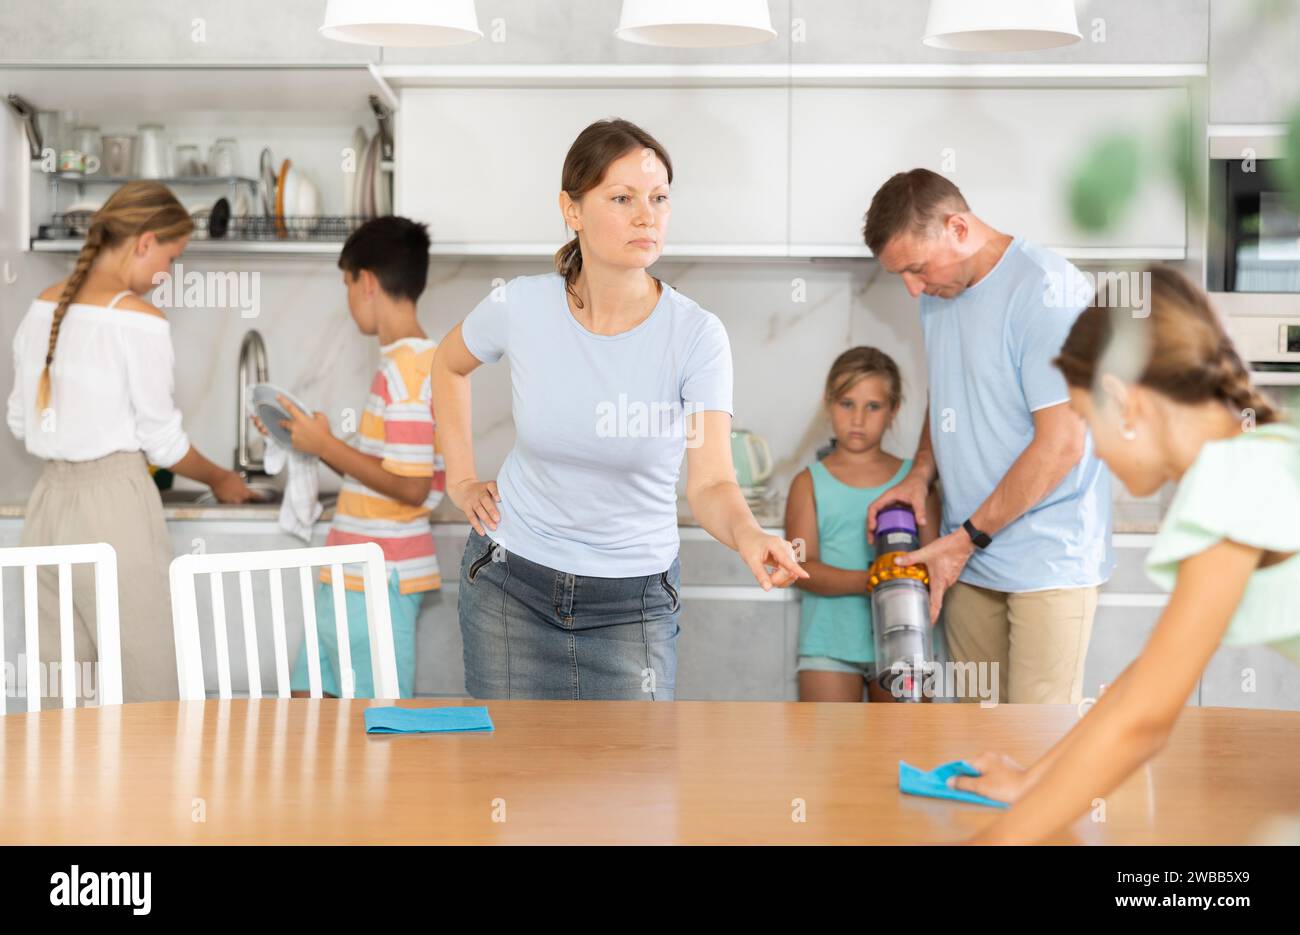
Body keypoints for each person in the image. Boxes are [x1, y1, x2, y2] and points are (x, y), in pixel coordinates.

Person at [431, 118, 807, 700]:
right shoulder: (520, 306)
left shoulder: (696, 335)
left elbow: (710, 485)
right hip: (509, 582)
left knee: (634, 786)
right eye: (622, 198)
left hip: (633, 604)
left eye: (658, 198)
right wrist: (459, 479)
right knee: (508, 780)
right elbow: (448, 364)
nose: (646, 216)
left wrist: (750, 535)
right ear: (572, 209)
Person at [953, 266, 1299, 844]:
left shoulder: (1230, 478)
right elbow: (1146, 686)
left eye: (1088, 422)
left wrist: (998, 841)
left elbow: (1145, 721)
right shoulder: (1263, 452)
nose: (1093, 452)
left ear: (1123, 400)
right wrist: (1032, 783)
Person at [863, 168, 1112, 704]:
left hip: (1047, 557)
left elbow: (1062, 444)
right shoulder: (939, 291)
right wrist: (920, 473)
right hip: (968, 553)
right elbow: (950, 391)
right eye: (901, 275)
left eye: (916, 268)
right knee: (978, 735)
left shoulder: (1048, 291)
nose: (912, 288)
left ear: (957, 227)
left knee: (1036, 741)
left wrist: (965, 539)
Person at [6, 181, 253, 705]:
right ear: (144, 242)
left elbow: (21, 423)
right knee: (148, 685)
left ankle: (61, 791)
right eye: (170, 257)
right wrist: (222, 479)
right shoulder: (138, 321)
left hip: (46, 508)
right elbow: (163, 444)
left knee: (59, 696)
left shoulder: (38, 309)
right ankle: (157, 791)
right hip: (113, 507)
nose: (167, 274)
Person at [273, 217, 445, 699]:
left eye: (347, 284)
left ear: (366, 282)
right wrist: (318, 442)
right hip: (350, 575)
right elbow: (384, 474)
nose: (349, 300)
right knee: (311, 708)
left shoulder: (409, 372)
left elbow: (410, 488)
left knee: (376, 727)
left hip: (376, 582)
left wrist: (326, 445)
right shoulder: (407, 366)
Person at [785, 347, 940, 702]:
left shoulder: (915, 482)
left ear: (893, 410)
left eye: (873, 406)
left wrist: (898, 582)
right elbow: (799, 566)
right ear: (828, 404)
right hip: (829, 644)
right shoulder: (808, 483)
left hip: (908, 642)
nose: (858, 418)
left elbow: (935, 563)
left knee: (904, 750)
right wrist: (873, 581)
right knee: (828, 757)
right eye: (846, 403)